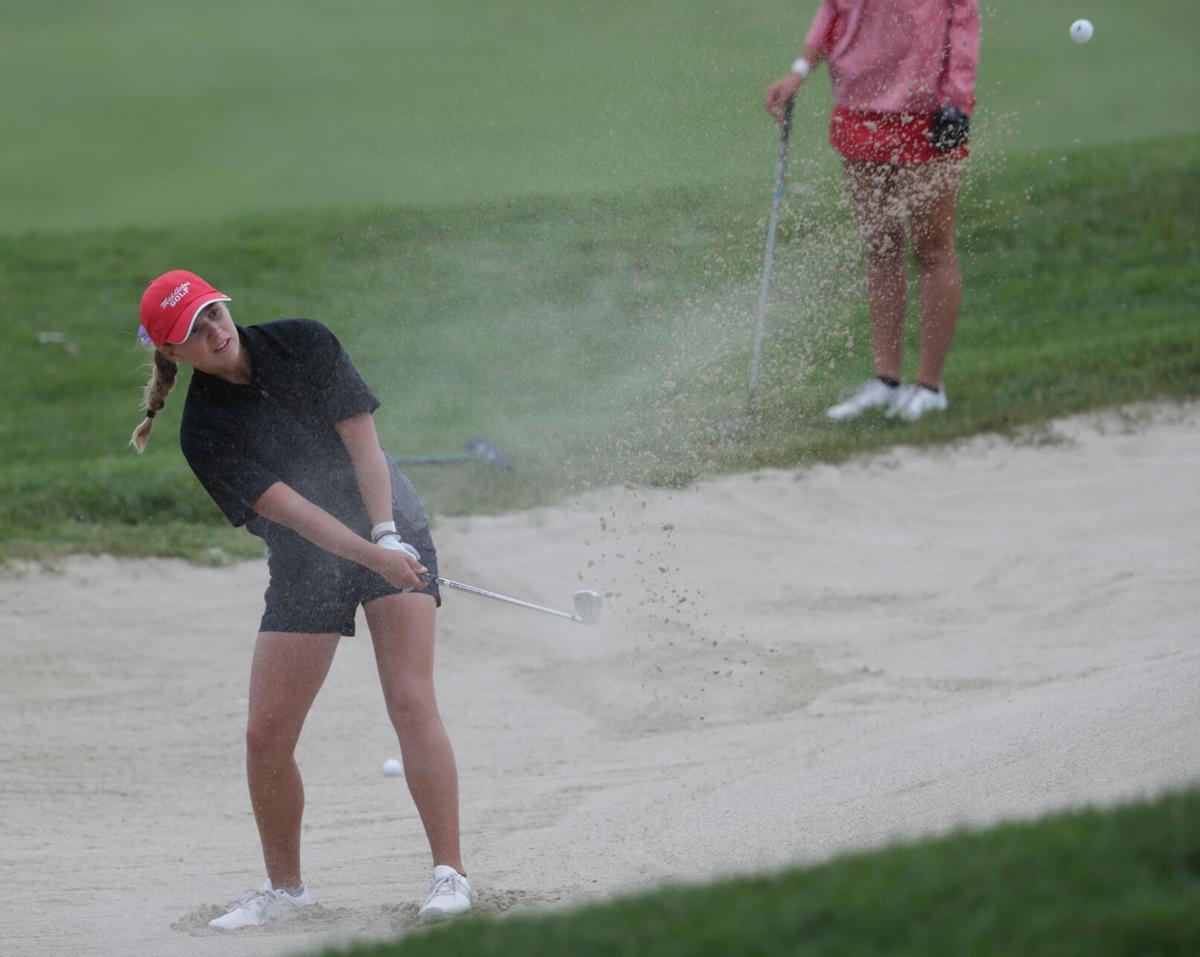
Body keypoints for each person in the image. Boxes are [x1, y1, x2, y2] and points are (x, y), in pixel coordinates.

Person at [129, 269, 473, 929]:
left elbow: (365, 451)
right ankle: (285, 890)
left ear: (223, 305)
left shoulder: (305, 343)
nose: (213, 330)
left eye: (211, 312)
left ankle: (450, 874)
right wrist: (373, 557)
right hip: (306, 557)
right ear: (173, 353)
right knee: (265, 734)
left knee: (409, 695)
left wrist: (388, 538)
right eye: (192, 332)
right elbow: (293, 512)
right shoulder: (203, 430)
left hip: (390, 522)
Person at [764, 0, 980, 421]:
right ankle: (886, 380)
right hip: (858, 101)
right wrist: (800, 69)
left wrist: (957, 98)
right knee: (880, 243)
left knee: (932, 246)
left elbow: (963, 17)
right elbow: (833, 9)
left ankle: (929, 386)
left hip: (928, 109)